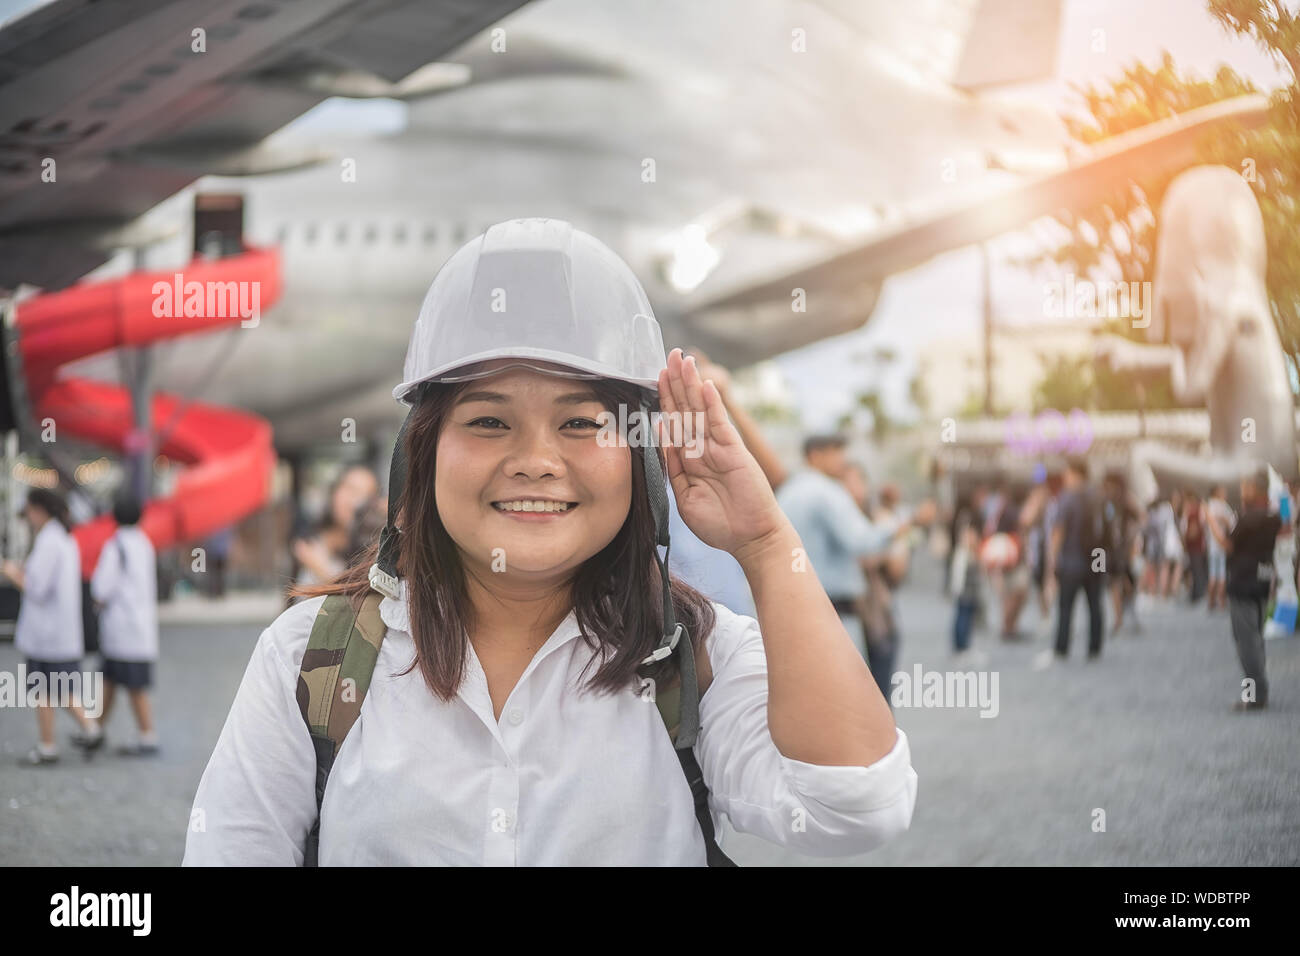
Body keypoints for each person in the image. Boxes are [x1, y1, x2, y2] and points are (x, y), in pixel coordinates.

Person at [183, 219, 917, 865]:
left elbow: (856, 806)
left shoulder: (695, 658)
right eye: (489, 421)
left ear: (639, 458)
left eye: (580, 422)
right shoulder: (309, 658)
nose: (536, 459)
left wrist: (762, 541)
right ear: (421, 455)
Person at [777, 435, 919, 700]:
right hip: (835, 614)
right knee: (850, 699)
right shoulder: (825, 491)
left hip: (797, 611)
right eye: (836, 452)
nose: (842, 459)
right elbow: (861, 540)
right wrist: (898, 526)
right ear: (816, 455)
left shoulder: (788, 490)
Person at [2, 489, 102, 764]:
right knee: (62, 689)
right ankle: (91, 728)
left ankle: (48, 746)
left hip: (46, 633)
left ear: (38, 510)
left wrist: (11, 572)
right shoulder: (63, 538)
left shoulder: (49, 541)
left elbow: (37, 588)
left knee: (44, 690)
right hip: (59, 632)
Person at [90, 494, 160, 755]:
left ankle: (147, 735)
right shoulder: (144, 544)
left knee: (132, 685)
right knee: (111, 680)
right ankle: (94, 728)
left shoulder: (115, 545)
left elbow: (101, 587)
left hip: (121, 627)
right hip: (139, 627)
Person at [1207, 468, 1278, 711]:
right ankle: (1260, 691)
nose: (1241, 490)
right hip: (1262, 579)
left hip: (1243, 581)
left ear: (1253, 488)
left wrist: (1211, 522)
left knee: (1246, 642)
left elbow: (1227, 545)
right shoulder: (1272, 515)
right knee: (1256, 638)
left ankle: (1255, 696)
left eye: (1244, 485)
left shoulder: (1250, 518)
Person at [288, 463, 379, 604]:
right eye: (350, 489)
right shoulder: (309, 539)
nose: (353, 501)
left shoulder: (372, 550)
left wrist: (323, 570)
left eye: (365, 495)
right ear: (335, 490)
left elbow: (360, 604)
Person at [1044, 457, 1105, 665]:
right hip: (1096, 560)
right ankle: (1094, 647)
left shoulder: (1067, 498)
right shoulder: (1098, 496)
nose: (1064, 477)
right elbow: (1105, 531)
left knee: (1066, 607)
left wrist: (1052, 562)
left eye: (1067, 473)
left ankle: (1061, 649)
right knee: (1095, 605)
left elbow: (1058, 532)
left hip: (1072, 561)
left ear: (1076, 474)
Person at [1204, 484, 1235, 612]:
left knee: (1212, 574)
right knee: (1222, 574)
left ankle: (1211, 602)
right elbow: (1232, 523)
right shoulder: (1223, 506)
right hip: (1221, 544)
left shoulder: (1208, 506)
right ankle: (1222, 602)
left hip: (1211, 545)